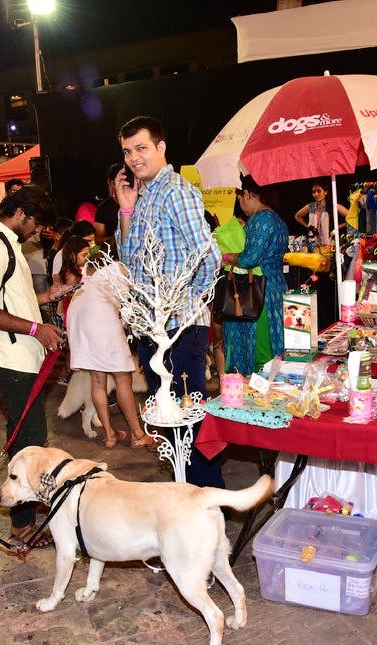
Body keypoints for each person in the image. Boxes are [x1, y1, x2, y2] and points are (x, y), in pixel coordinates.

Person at [115, 115, 221, 487]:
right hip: (151, 326)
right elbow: (128, 263)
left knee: (190, 417)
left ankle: (207, 500)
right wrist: (126, 209)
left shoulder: (176, 191)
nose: (133, 158)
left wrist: (188, 303)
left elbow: (209, 255)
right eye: (127, 151)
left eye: (141, 148)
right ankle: (183, 497)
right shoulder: (141, 197)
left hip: (179, 328)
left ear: (161, 147)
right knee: (169, 418)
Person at [0, 186, 65, 543]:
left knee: (27, 437)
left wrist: (45, 297)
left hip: (22, 356)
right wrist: (37, 328)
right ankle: (23, 523)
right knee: (30, 442)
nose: (38, 231)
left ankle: (26, 511)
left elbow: (11, 300)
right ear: (22, 213)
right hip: (10, 359)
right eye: (37, 223)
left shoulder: (6, 243)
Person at [63, 238, 152, 448]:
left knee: (97, 380)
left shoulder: (90, 269)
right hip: (99, 316)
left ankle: (110, 435)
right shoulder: (119, 267)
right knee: (122, 378)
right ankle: (138, 435)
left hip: (79, 314)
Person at [221, 176, 289, 376]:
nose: (240, 204)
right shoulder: (275, 217)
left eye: (239, 198)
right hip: (272, 287)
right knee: (270, 348)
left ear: (248, 194)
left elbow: (250, 258)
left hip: (258, 292)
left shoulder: (262, 219)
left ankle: (259, 395)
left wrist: (226, 256)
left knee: (261, 352)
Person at [92, 163, 122, 246]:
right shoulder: (104, 207)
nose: (120, 186)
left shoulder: (139, 201)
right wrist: (119, 239)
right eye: (114, 183)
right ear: (109, 183)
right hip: (113, 254)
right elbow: (98, 239)